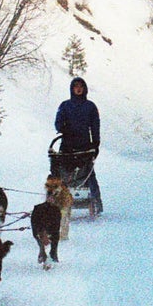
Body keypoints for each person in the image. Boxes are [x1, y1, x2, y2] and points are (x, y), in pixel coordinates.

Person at [55, 76, 102, 215]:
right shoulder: (65, 106)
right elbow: (58, 123)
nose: (78, 88)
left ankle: (96, 202)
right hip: (67, 146)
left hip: (85, 146)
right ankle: (57, 202)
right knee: (63, 174)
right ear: (72, 89)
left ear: (85, 89)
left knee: (89, 174)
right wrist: (64, 128)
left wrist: (96, 143)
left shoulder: (90, 106)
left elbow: (95, 126)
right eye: (76, 86)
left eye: (81, 86)